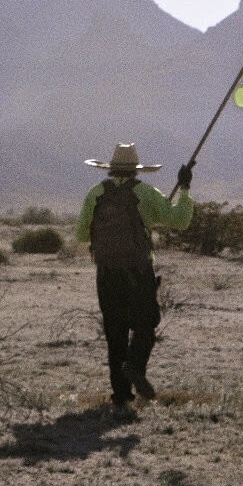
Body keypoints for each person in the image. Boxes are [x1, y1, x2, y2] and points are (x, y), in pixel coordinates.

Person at [75, 143, 194, 409]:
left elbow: (82, 235)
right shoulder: (146, 193)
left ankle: (121, 397)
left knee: (114, 333)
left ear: (111, 168)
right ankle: (135, 367)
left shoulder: (95, 193)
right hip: (139, 271)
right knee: (145, 325)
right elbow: (179, 221)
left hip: (106, 273)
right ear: (136, 170)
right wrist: (184, 189)